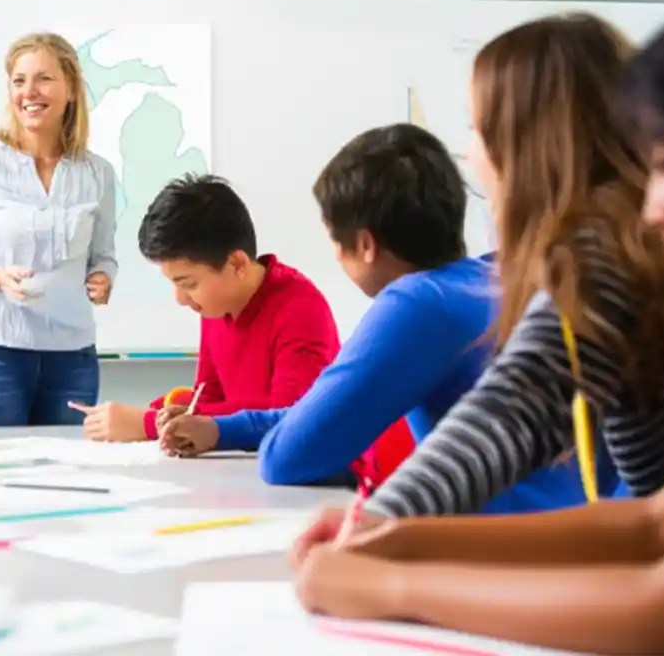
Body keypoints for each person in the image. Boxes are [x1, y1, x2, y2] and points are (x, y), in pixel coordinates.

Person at [293, 0, 664, 655]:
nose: (651, 207)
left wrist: (395, 581)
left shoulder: (604, 249)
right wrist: (401, 538)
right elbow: (660, 523)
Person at [159, 125, 602, 510]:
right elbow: (310, 415)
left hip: (503, 552)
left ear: (365, 246)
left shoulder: (417, 304)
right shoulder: (491, 277)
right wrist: (220, 429)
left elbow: (288, 455)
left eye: (335, 239)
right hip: (567, 527)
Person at [76, 176, 349, 452]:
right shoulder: (215, 306)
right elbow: (208, 399)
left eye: (189, 284)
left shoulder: (300, 309)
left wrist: (148, 424)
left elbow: (288, 416)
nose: (180, 299)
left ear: (236, 264)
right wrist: (171, 415)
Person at [0, 32, 117, 427]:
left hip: (73, 356)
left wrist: (103, 277)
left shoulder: (98, 173)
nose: (29, 91)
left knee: (70, 478)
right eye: (19, 81)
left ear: (70, 89)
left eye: (44, 78)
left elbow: (102, 256)